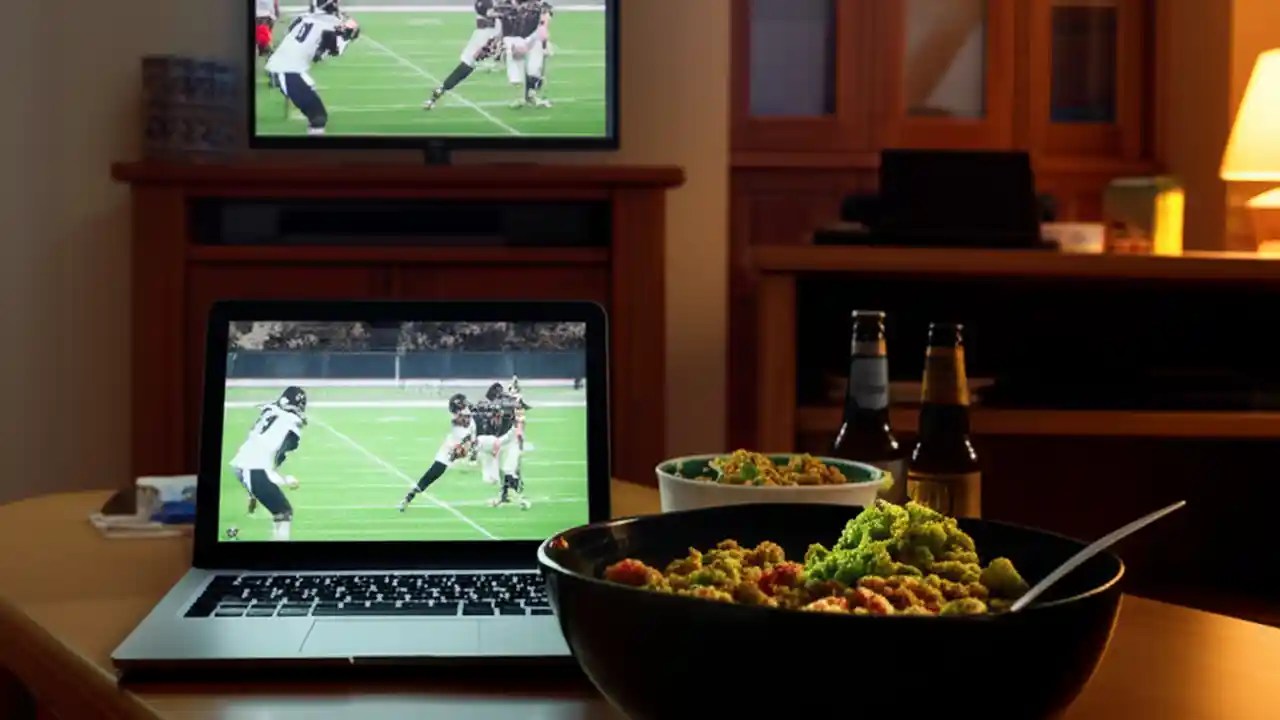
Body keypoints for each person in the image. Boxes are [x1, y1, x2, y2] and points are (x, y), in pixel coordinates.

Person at [264, 0, 360, 136]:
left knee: (312, 102)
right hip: (288, 71)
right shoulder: (330, 26)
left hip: (287, 66)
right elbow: (326, 53)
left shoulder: (303, 18)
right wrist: (348, 34)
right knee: (318, 117)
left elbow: (292, 33)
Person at [229, 387, 307, 541]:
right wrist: (282, 479)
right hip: (254, 467)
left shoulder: (270, 409)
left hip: (241, 462)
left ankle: (235, 529)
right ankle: (277, 557)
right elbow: (278, 454)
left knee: (260, 500)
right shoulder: (291, 422)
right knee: (283, 512)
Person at [423, 0, 510, 111]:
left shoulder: (489, 17)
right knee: (469, 64)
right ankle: (442, 89)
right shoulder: (487, 19)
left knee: (469, 63)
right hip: (487, 36)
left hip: (488, 35)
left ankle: (441, 90)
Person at [399, 394, 477, 512]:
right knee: (435, 471)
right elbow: (462, 425)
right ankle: (412, 493)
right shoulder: (458, 423)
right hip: (456, 446)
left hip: (470, 445)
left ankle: (507, 489)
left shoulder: (468, 420)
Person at [502, 0, 553, 108]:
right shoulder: (508, 5)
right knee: (516, 66)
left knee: (535, 67)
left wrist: (544, 41)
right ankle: (520, 97)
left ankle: (531, 94)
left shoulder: (540, 6)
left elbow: (544, 19)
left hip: (533, 36)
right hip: (515, 36)